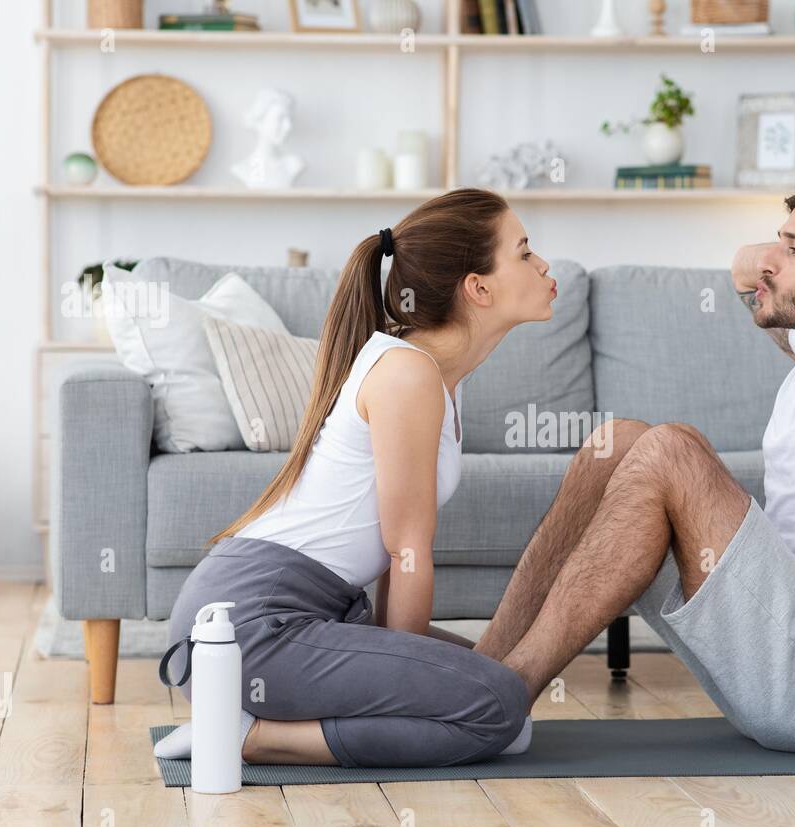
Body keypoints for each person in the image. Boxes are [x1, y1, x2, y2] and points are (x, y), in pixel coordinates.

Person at [474, 171, 795, 753]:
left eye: (793, 251)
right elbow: (744, 267)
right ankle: (480, 678)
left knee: (672, 449)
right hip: (777, 654)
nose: (771, 262)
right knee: (615, 444)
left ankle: (504, 701)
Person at [155, 188, 572, 767]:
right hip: (250, 625)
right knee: (496, 707)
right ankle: (244, 734)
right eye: (524, 252)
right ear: (477, 287)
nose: (544, 264)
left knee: (503, 702)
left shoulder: (435, 373)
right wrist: (414, 676)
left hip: (307, 614)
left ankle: (247, 720)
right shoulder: (407, 373)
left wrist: (416, 679)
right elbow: (405, 551)